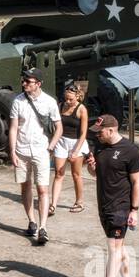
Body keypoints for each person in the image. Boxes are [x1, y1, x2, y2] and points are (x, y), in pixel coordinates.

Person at [83, 114, 139, 277]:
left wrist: (134, 210)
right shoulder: (100, 147)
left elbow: (136, 182)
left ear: (111, 130)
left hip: (120, 206)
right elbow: (97, 173)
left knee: (113, 248)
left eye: (100, 132)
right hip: (104, 204)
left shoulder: (130, 151)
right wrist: (92, 168)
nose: (97, 135)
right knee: (118, 245)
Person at [8, 68, 60, 244]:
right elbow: (14, 128)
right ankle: (32, 220)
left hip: (41, 150)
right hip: (22, 150)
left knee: (43, 189)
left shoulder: (49, 102)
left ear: (38, 84)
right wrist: (12, 151)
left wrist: (51, 147)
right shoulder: (18, 101)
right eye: (23, 80)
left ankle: (43, 227)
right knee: (25, 186)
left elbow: (58, 127)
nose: (24, 84)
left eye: (28, 81)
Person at [50, 81, 89, 215]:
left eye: (70, 99)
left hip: (76, 142)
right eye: (66, 98)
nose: (68, 101)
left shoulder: (81, 109)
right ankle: (53, 204)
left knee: (76, 174)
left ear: (78, 97)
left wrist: (76, 151)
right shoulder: (60, 106)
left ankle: (79, 202)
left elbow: (84, 133)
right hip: (62, 141)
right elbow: (56, 127)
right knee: (58, 174)